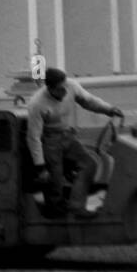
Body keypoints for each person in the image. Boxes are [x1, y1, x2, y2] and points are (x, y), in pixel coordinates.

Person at [26, 67, 123, 217]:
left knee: (90, 164)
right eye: (60, 89)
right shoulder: (37, 104)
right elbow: (33, 137)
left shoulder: (71, 86)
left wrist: (109, 109)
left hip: (68, 136)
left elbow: (88, 101)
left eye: (65, 86)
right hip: (50, 141)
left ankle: (76, 206)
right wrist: (40, 166)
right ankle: (56, 213)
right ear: (50, 88)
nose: (65, 92)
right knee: (54, 180)